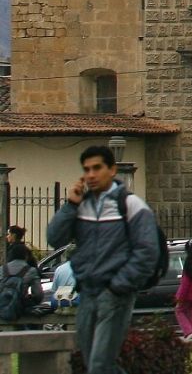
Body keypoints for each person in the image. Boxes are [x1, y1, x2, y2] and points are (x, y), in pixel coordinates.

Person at [45, 144, 162, 374]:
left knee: (99, 365)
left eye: (97, 168)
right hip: (87, 293)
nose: (90, 174)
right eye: (86, 169)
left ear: (112, 170)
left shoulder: (131, 205)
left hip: (115, 295)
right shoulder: (81, 207)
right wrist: (70, 206)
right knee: (97, 364)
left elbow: (148, 251)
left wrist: (118, 286)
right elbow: (54, 238)